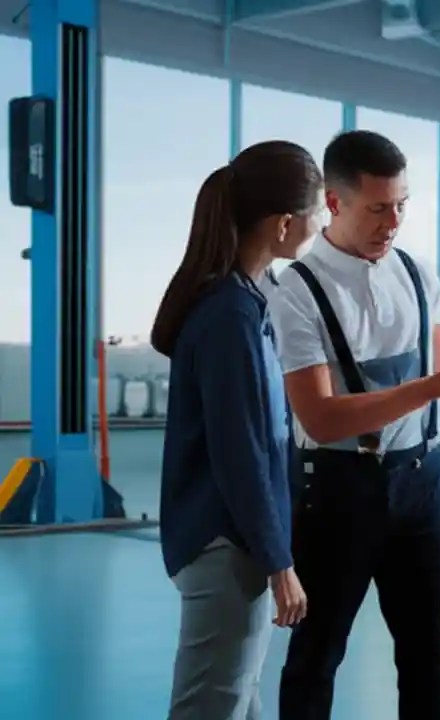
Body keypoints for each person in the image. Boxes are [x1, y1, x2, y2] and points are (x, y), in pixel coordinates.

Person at [269, 129, 440, 720]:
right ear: (336, 202)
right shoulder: (297, 290)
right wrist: (435, 386)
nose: (393, 222)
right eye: (378, 208)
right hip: (338, 491)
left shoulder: (418, 273)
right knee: (316, 660)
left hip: (424, 485)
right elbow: (319, 417)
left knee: (432, 662)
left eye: (401, 204)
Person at [152, 140, 324, 719]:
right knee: (210, 707)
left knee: (237, 701)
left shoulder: (246, 302)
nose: (321, 224)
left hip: (235, 543)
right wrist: (280, 563)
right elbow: (241, 454)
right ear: (283, 225)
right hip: (226, 546)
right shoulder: (231, 318)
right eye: (315, 211)